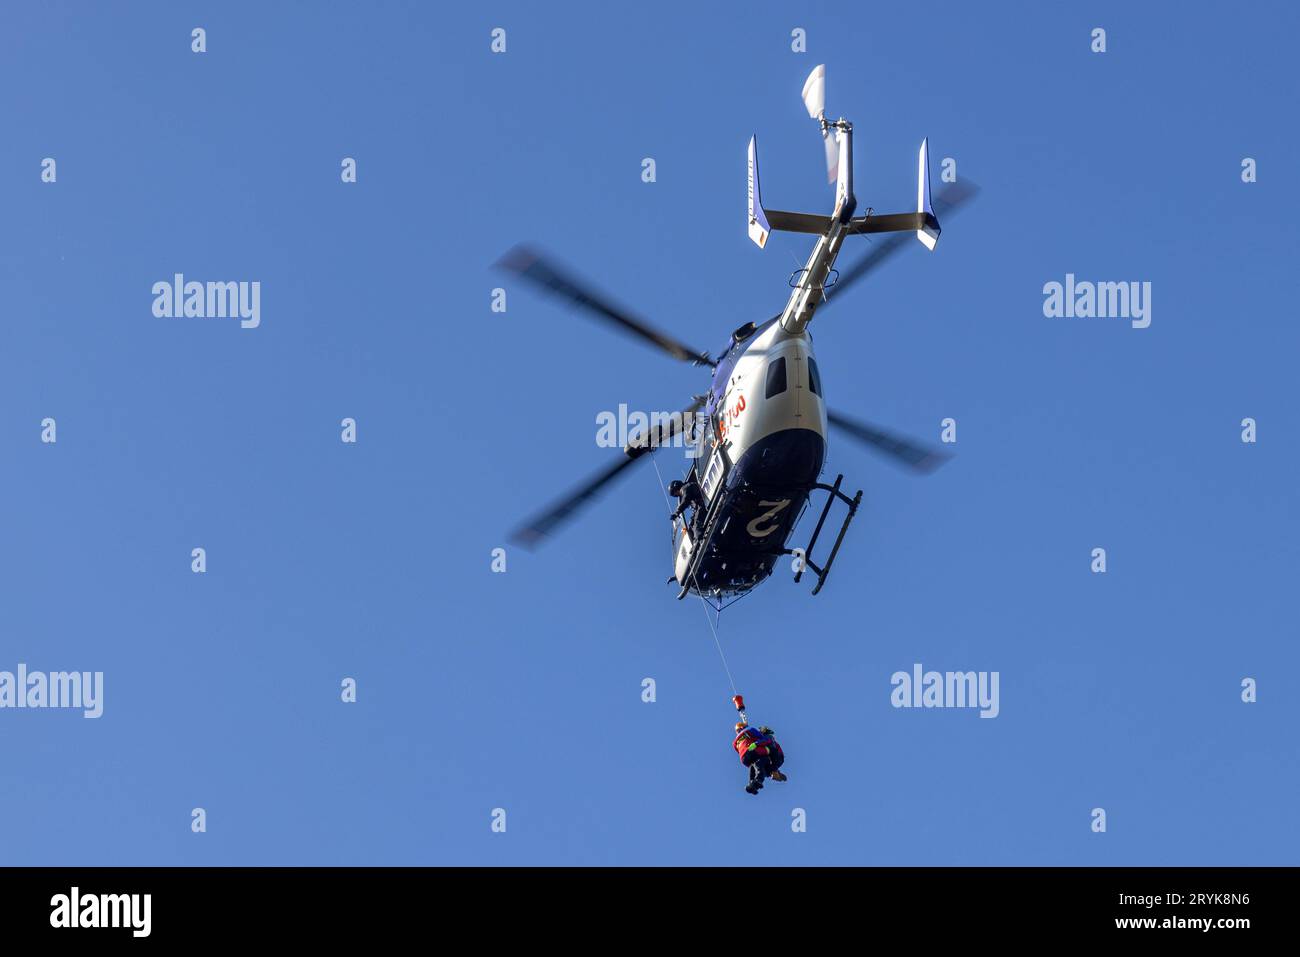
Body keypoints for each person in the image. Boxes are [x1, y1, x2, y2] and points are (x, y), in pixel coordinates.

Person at [730, 695, 788, 795]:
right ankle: (763, 778)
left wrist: (755, 744)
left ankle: (754, 782)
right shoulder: (751, 731)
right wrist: (755, 744)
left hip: (746, 758)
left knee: (756, 765)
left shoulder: (736, 741)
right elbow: (760, 738)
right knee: (761, 763)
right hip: (758, 753)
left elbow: (737, 749)